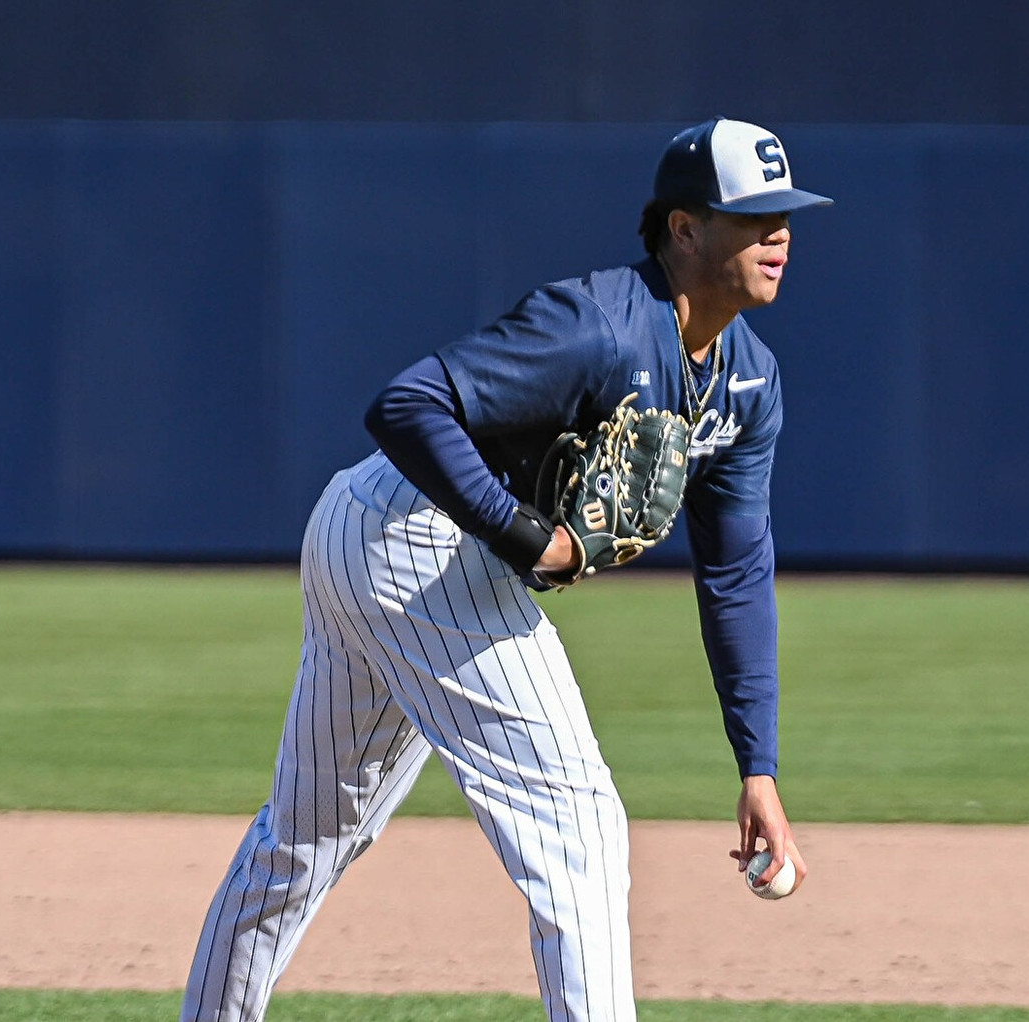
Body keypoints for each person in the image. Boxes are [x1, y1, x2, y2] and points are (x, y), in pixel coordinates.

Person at [181, 117, 832, 1022]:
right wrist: (526, 537)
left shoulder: (748, 382)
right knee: (580, 825)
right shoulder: (597, 328)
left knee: (305, 840)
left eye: (787, 215)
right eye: (754, 217)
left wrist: (756, 766)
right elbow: (405, 405)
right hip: (414, 538)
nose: (780, 235)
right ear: (684, 230)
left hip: (367, 535)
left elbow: (735, 573)